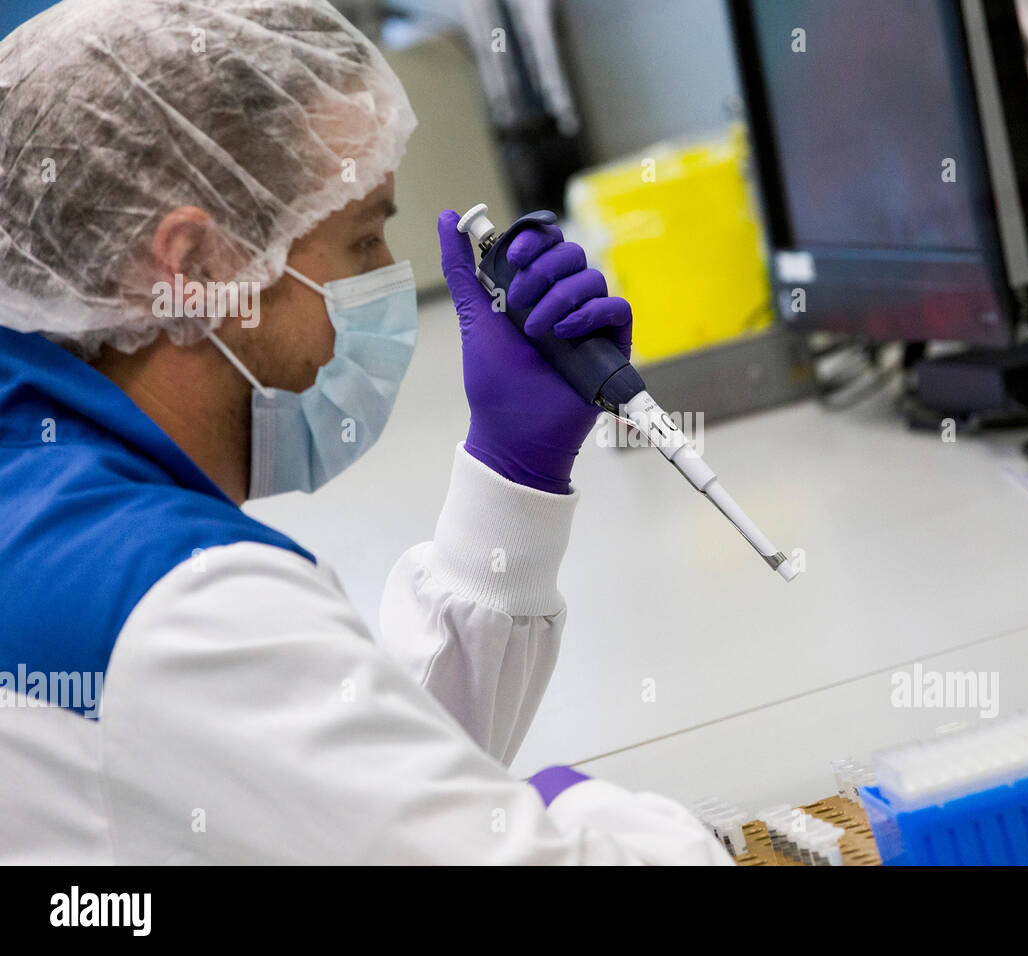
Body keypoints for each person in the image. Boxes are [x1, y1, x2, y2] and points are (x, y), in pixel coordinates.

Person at [0, 0, 731, 865]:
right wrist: (617, 818)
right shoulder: (173, 604)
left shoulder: (41, 496)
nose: (390, 280)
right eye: (362, 237)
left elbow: (340, 781)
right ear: (196, 270)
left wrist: (514, 471)